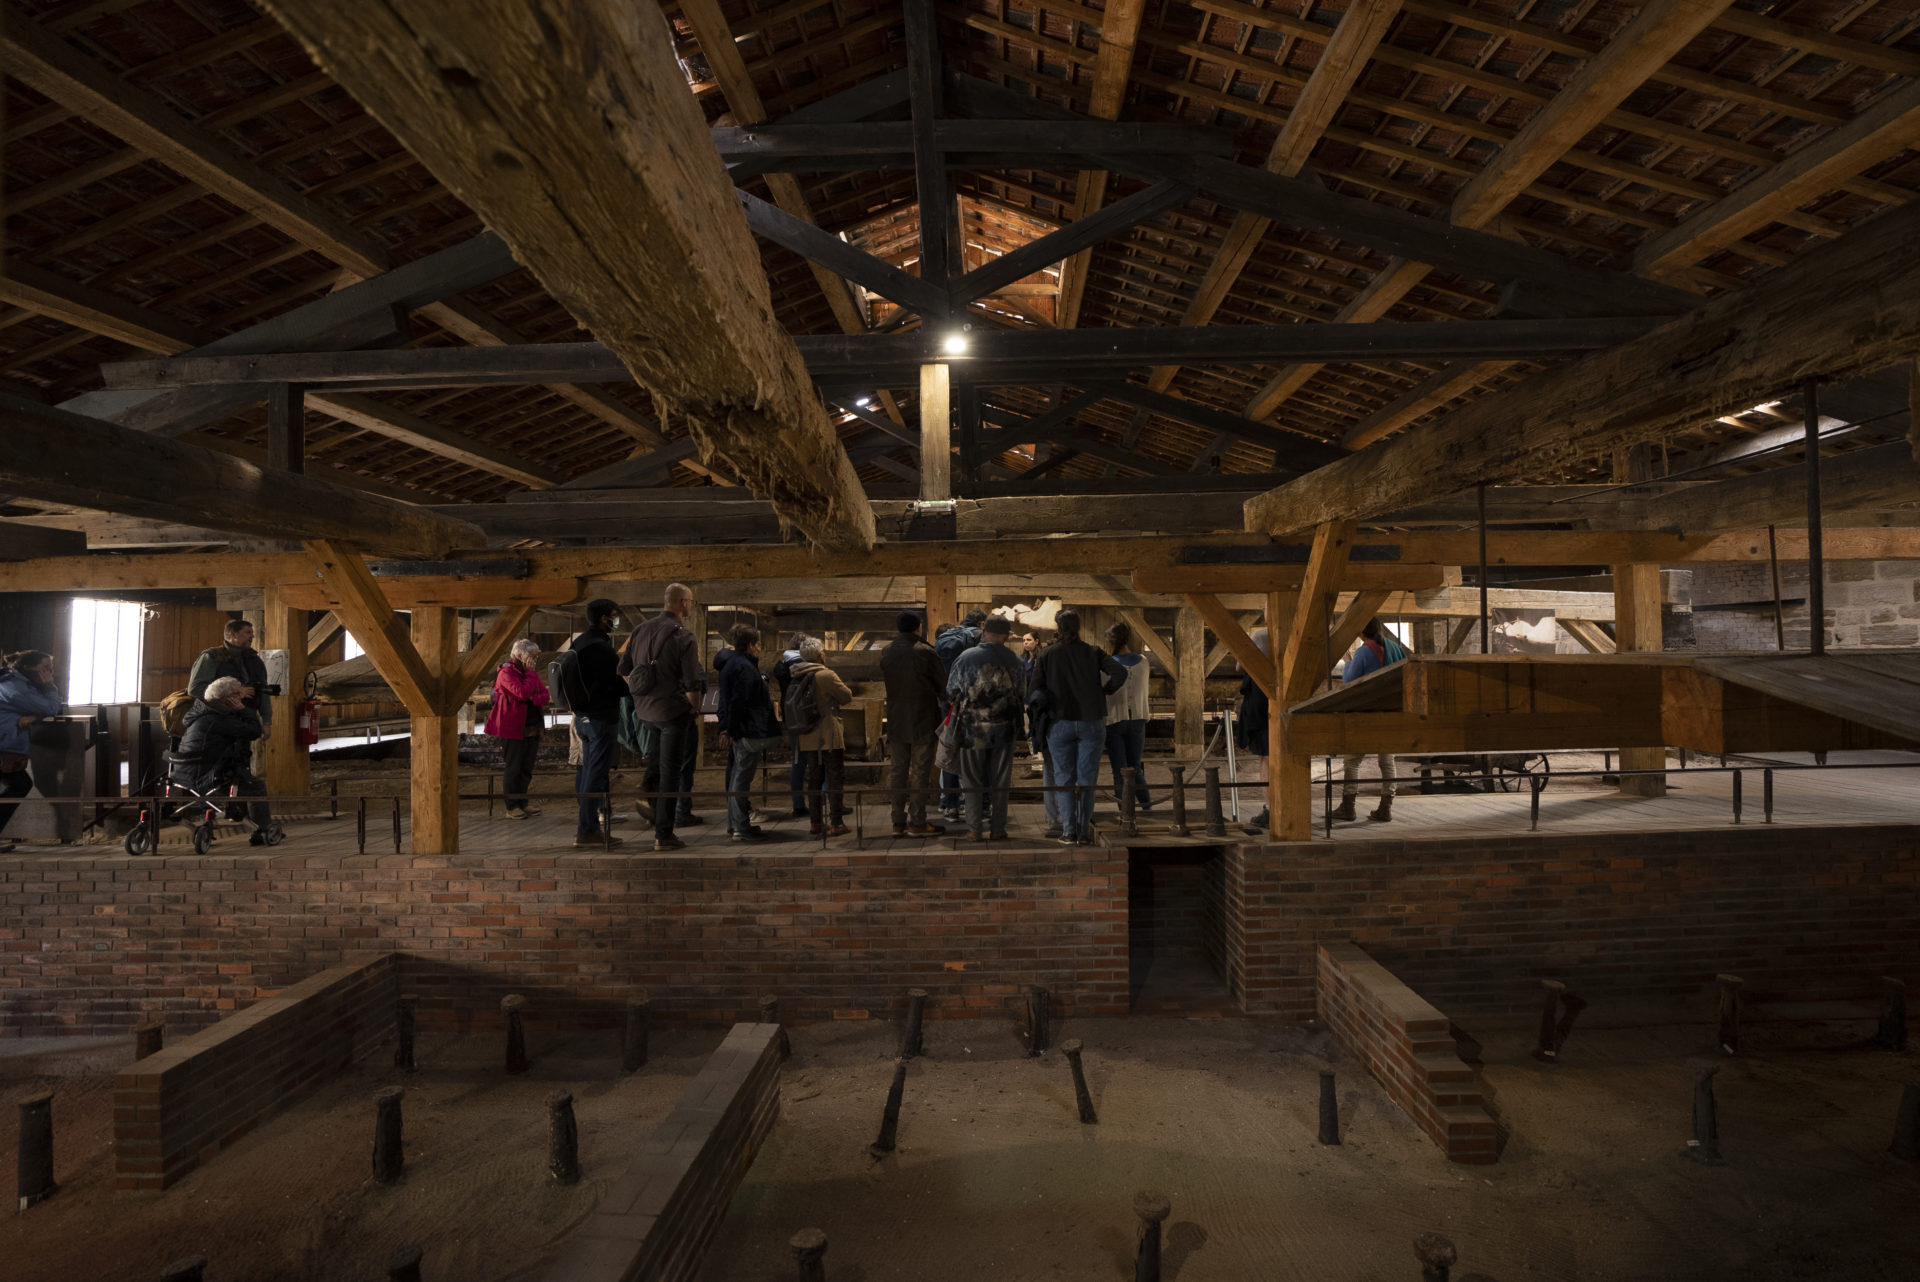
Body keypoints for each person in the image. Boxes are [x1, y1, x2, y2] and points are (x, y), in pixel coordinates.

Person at [1032, 610, 1126, 845]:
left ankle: (1068, 832)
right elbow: (1120, 672)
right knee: (1087, 780)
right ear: (1079, 627)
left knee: (1063, 779)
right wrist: (1106, 690)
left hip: (1059, 721)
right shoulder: (1093, 652)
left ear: (1058, 628)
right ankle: (1084, 832)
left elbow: (1034, 690)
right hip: (1091, 720)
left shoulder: (1047, 654)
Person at [622, 584, 704, 850]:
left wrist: (641, 695)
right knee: (671, 773)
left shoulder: (639, 630)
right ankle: (664, 834)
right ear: (682, 602)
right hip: (672, 713)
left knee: (656, 765)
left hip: (646, 712)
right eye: (690, 602)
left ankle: (654, 811)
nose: (691, 606)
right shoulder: (683, 636)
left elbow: (625, 671)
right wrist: (693, 707)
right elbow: (693, 682)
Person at [946, 615, 1026, 841]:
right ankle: (998, 828)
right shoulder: (1016, 661)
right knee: (1000, 780)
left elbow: (952, 691)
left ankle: (974, 829)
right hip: (1005, 728)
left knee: (971, 780)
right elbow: (1022, 693)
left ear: (984, 630)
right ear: (1007, 635)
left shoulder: (966, 658)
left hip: (973, 729)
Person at [175, 675, 274, 842]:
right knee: (256, 786)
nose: (241, 696)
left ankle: (223, 817)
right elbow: (254, 731)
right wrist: (244, 709)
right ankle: (263, 831)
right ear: (227, 698)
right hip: (207, 777)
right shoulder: (220, 719)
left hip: (183, 775)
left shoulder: (199, 714)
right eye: (237, 694)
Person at [1333, 620, 1409, 823]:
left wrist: (1348, 659)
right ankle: (1386, 807)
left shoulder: (1364, 651)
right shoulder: (1396, 648)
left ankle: (1348, 807)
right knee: (1387, 761)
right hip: (1391, 711)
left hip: (1366, 714)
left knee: (1352, 760)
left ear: (1361, 633)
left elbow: (1350, 681)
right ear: (1380, 629)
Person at [879, 611, 946, 837]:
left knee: (897, 770)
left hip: (897, 719)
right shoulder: (925, 652)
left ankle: (897, 821)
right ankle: (917, 822)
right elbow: (943, 687)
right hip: (923, 719)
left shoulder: (888, 651)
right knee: (920, 771)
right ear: (918, 627)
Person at [568, 598, 628, 848]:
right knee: (595, 772)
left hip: (583, 717)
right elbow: (615, 684)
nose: (616, 621)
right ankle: (588, 829)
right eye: (613, 616)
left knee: (588, 771)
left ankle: (587, 824)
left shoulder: (580, 642)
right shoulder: (600, 648)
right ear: (603, 618)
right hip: (601, 718)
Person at [714, 625, 778, 842]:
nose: (758, 647)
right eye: (757, 643)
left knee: (736, 778)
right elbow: (738, 701)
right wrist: (729, 729)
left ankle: (736, 825)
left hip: (739, 728)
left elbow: (729, 700)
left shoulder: (730, 665)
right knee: (741, 779)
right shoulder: (744, 667)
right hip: (748, 730)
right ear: (751, 644)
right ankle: (740, 826)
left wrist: (726, 726)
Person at [786, 638, 853, 836]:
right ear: (820, 655)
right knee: (835, 778)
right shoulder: (826, 675)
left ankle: (815, 823)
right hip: (828, 734)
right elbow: (846, 696)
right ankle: (836, 823)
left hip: (807, 735)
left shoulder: (796, 674)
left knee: (814, 778)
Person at [0, 651, 61, 853]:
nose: (49, 673)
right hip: (4, 746)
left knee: (19, 785)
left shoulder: (20, 684)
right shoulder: (14, 687)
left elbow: (43, 707)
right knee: (20, 785)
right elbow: (51, 706)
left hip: (7, 745)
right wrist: (49, 686)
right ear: (28, 668)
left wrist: (35, 716)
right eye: (45, 669)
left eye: (50, 670)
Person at [484, 639, 550, 820]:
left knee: (526, 767)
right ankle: (512, 806)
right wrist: (530, 686)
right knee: (514, 767)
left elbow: (544, 695)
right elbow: (522, 693)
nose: (535, 661)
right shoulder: (506, 673)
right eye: (532, 657)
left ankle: (522, 802)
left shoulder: (531, 674)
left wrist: (533, 699)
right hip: (512, 729)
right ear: (520, 656)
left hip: (532, 728)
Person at [188, 619, 273, 755]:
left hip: (244, 722)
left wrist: (267, 721)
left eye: (252, 633)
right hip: (218, 724)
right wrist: (233, 692)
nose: (252, 636)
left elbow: (263, 691)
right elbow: (195, 689)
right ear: (233, 634)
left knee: (241, 760)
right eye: (247, 632)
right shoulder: (212, 657)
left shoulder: (254, 660)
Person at [933, 611, 986, 822]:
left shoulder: (947, 638)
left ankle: (951, 806)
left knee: (949, 751)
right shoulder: (978, 638)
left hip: (948, 705)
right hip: (971, 705)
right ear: (982, 623)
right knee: (974, 754)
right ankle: (975, 806)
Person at [1104, 621, 1153, 811]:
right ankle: (1147, 806)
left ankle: (1125, 811)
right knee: (1135, 767)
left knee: (1120, 769)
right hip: (1138, 720)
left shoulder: (1109, 664)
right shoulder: (1143, 661)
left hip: (1115, 720)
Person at [1235, 628, 1271, 834]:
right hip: (1276, 699)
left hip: (1259, 700)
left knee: (1266, 759)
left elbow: (1240, 665)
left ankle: (1269, 809)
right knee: (1275, 756)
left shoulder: (1260, 635)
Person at [771, 635, 809, 816]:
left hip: (791, 718)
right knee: (822, 760)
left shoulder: (782, 668)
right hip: (810, 718)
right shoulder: (808, 667)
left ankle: (798, 804)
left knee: (797, 761)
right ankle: (829, 801)